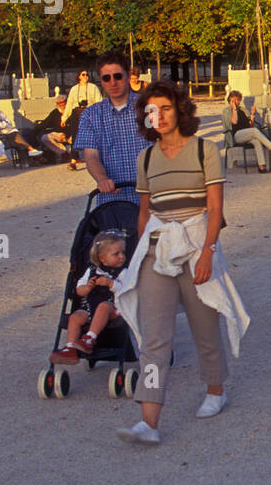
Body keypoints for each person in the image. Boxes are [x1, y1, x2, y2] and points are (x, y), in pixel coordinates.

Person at [113, 81, 249, 445]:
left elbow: (216, 208)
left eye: (165, 108)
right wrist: (142, 255)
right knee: (154, 340)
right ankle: (149, 421)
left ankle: (216, 389)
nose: (158, 116)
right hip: (158, 251)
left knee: (205, 327)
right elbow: (144, 213)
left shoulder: (204, 149)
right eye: (151, 110)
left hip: (195, 246)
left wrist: (207, 252)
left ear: (179, 111)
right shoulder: (146, 158)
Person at [73, 51, 149, 206]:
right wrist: (102, 179)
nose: (113, 83)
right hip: (112, 200)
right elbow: (91, 156)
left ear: (128, 76)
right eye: (106, 78)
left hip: (150, 198)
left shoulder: (148, 108)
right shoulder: (90, 115)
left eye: (118, 76)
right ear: (101, 81)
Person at [50, 232, 129, 364]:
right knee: (75, 317)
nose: (122, 257)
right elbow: (79, 289)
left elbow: (128, 290)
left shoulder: (123, 272)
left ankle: (89, 339)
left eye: (123, 252)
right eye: (116, 254)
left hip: (114, 308)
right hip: (89, 307)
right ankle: (70, 348)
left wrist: (111, 283)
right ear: (102, 258)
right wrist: (87, 288)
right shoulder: (91, 270)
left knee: (103, 307)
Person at [224, 90, 271, 173]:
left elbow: (250, 126)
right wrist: (234, 109)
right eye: (235, 100)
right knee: (255, 131)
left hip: (246, 134)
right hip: (236, 136)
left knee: (256, 141)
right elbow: (234, 121)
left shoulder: (242, 111)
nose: (237, 102)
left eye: (238, 100)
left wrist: (252, 114)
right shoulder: (227, 111)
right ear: (230, 100)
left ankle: (261, 166)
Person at [0, 94, 45, 162]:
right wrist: (5, 123)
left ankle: (32, 155)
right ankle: (32, 151)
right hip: (3, 135)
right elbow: (0, 125)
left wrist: (4, 123)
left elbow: (9, 122)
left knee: (27, 131)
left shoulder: (0, 112)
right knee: (20, 135)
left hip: (9, 131)